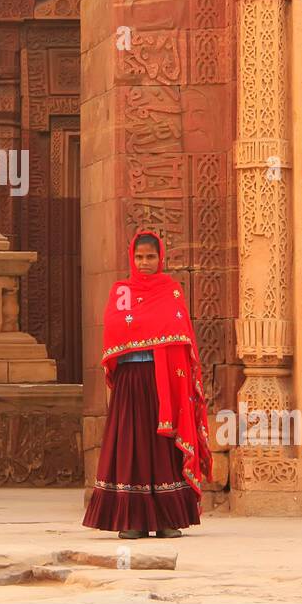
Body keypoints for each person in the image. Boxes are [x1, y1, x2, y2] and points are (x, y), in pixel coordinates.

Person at [82, 230, 212, 539]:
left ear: (160, 258)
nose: (145, 262)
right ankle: (132, 520)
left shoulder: (171, 290)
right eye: (139, 257)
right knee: (131, 443)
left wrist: (144, 330)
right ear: (132, 258)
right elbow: (115, 328)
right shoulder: (121, 291)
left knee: (162, 443)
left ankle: (168, 518)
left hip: (164, 378)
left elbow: (180, 331)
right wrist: (150, 330)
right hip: (130, 379)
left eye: (150, 257)